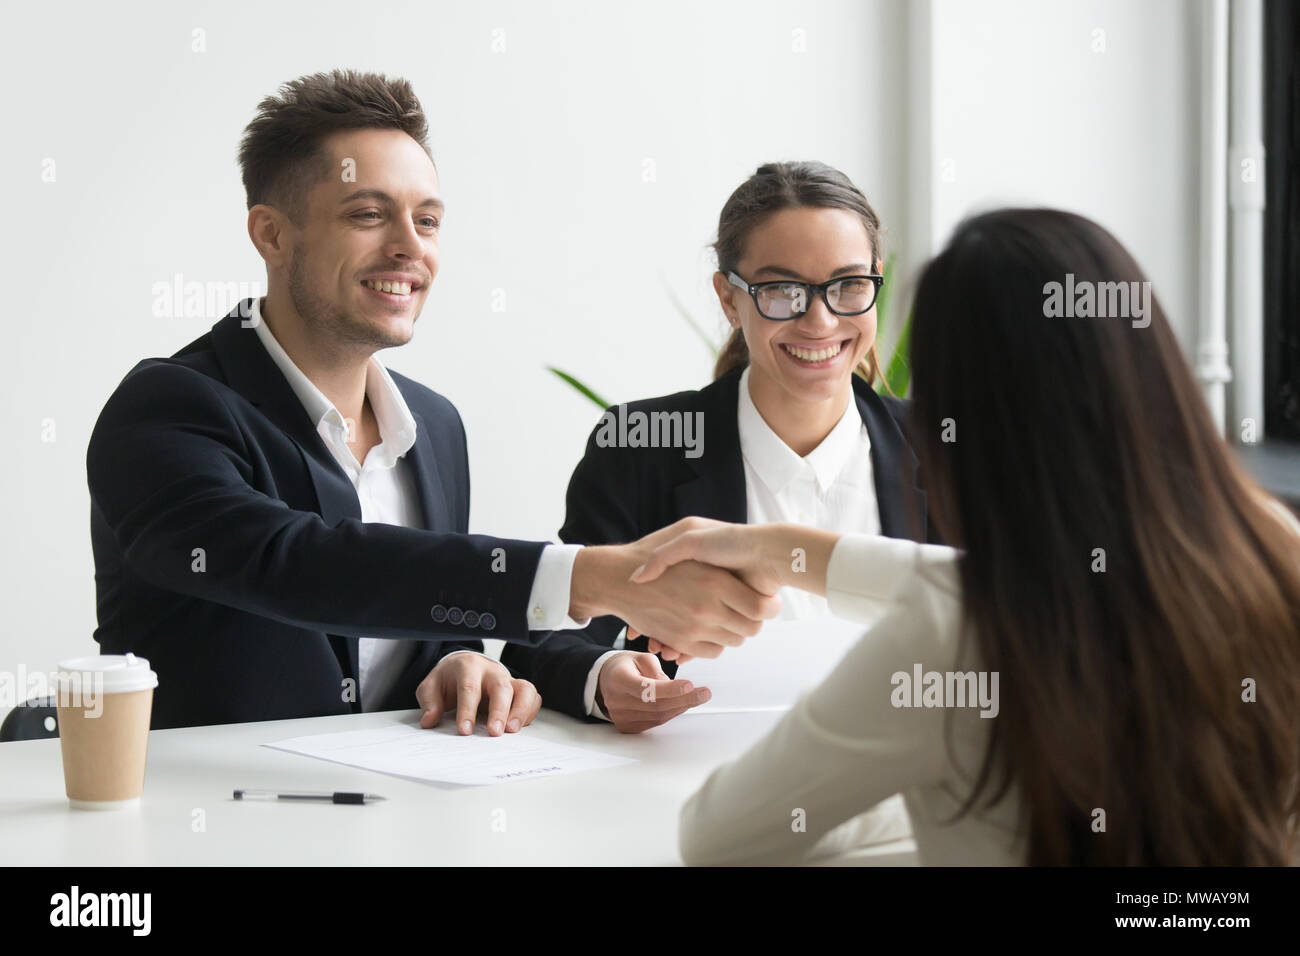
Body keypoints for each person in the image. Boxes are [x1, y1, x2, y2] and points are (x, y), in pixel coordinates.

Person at [86, 70, 779, 731]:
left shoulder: (434, 426)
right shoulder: (167, 408)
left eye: (428, 220)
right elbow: (295, 561)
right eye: (368, 214)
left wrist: (455, 660)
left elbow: (404, 599)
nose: (408, 248)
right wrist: (589, 576)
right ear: (271, 233)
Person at [638, 208, 1300, 865]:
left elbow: (719, 835)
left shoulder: (948, 635)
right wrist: (783, 550)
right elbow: (1003, 588)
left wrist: (908, 787)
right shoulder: (1274, 549)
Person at [502, 161, 931, 733]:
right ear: (730, 299)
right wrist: (604, 676)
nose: (820, 320)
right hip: (691, 783)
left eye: (848, 285)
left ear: (874, 282)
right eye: (782, 290)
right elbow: (547, 631)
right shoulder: (641, 445)